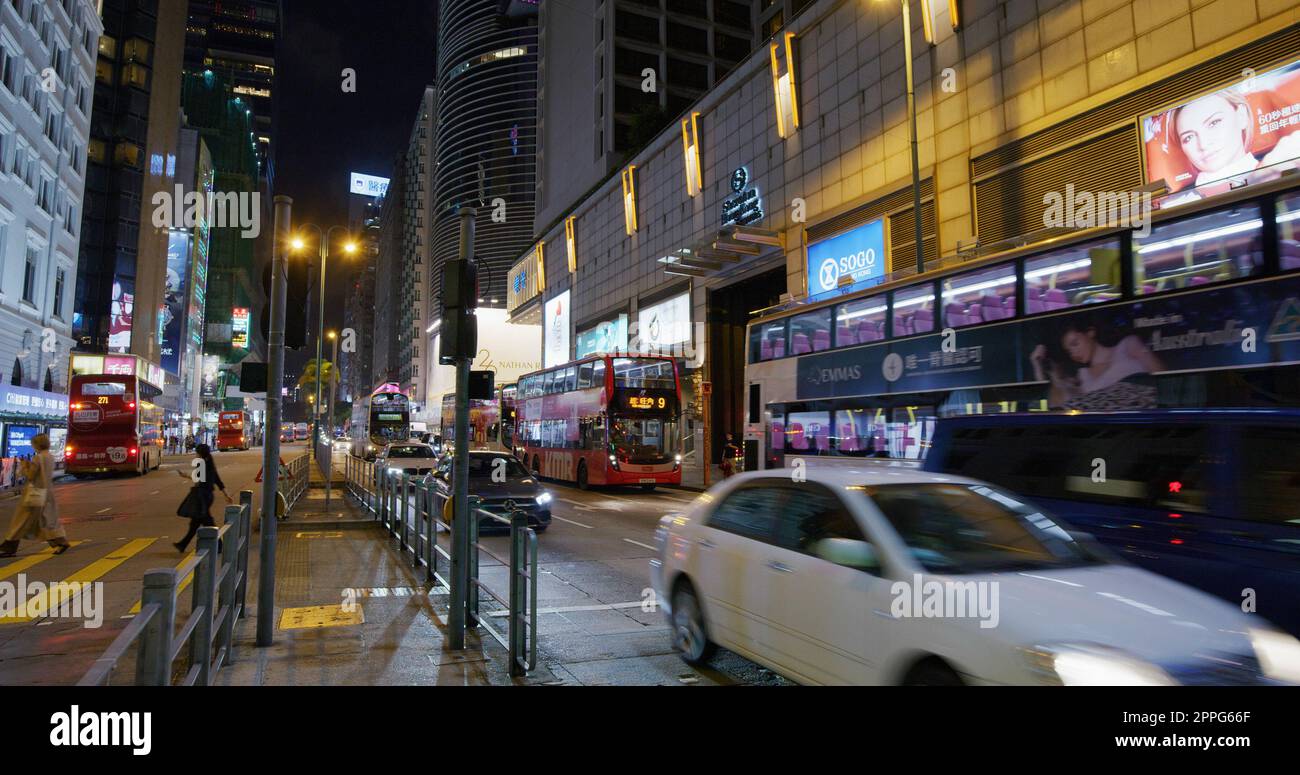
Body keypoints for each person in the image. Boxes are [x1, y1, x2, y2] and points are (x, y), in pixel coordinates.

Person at [1030, 321, 1165, 410]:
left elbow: (1163, 379)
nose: (1074, 352)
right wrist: (1037, 367)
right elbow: (1054, 405)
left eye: (1075, 343)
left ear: (1090, 332)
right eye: (1069, 351)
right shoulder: (1082, 376)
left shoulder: (1128, 345)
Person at [0, 434, 70, 557]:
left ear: (36, 444)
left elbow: (31, 475)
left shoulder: (38, 458)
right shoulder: (50, 456)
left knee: (21, 519)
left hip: (35, 492)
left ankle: (9, 546)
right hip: (47, 492)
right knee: (46, 519)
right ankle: (60, 541)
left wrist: (25, 466)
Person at [174, 444, 231, 552]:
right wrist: (226, 494)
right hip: (207, 495)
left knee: (207, 521)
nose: (196, 454)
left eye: (197, 452)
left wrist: (184, 475)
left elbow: (197, 479)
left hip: (202, 496)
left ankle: (219, 545)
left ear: (200, 453)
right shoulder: (210, 462)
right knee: (195, 522)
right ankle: (182, 544)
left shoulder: (202, 463)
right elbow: (217, 480)